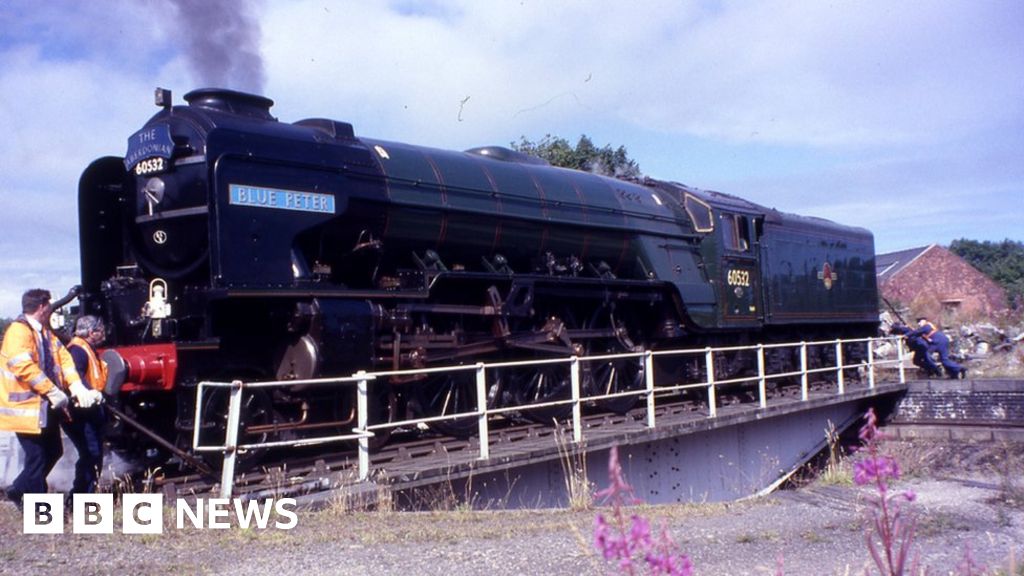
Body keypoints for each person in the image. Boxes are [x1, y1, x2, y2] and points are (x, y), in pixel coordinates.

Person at [1, 289, 101, 508]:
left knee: (54, 450)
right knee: (36, 458)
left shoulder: (44, 333)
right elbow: (22, 366)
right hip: (25, 408)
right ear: (42, 307)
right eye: (49, 305)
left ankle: (19, 490)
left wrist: (76, 385)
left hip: (43, 408)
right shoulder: (18, 332)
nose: (51, 309)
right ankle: (39, 511)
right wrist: (52, 391)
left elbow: (63, 358)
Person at [62, 315, 108, 496]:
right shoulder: (78, 350)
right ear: (92, 332)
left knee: (93, 454)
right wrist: (90, 392)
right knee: (91, 454)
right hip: (82, 412)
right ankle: (79, 497)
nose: (103, 334)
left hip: (91, 409)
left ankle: (83, 495)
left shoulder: (86, 348)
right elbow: (75, 377)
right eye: (101, 330)